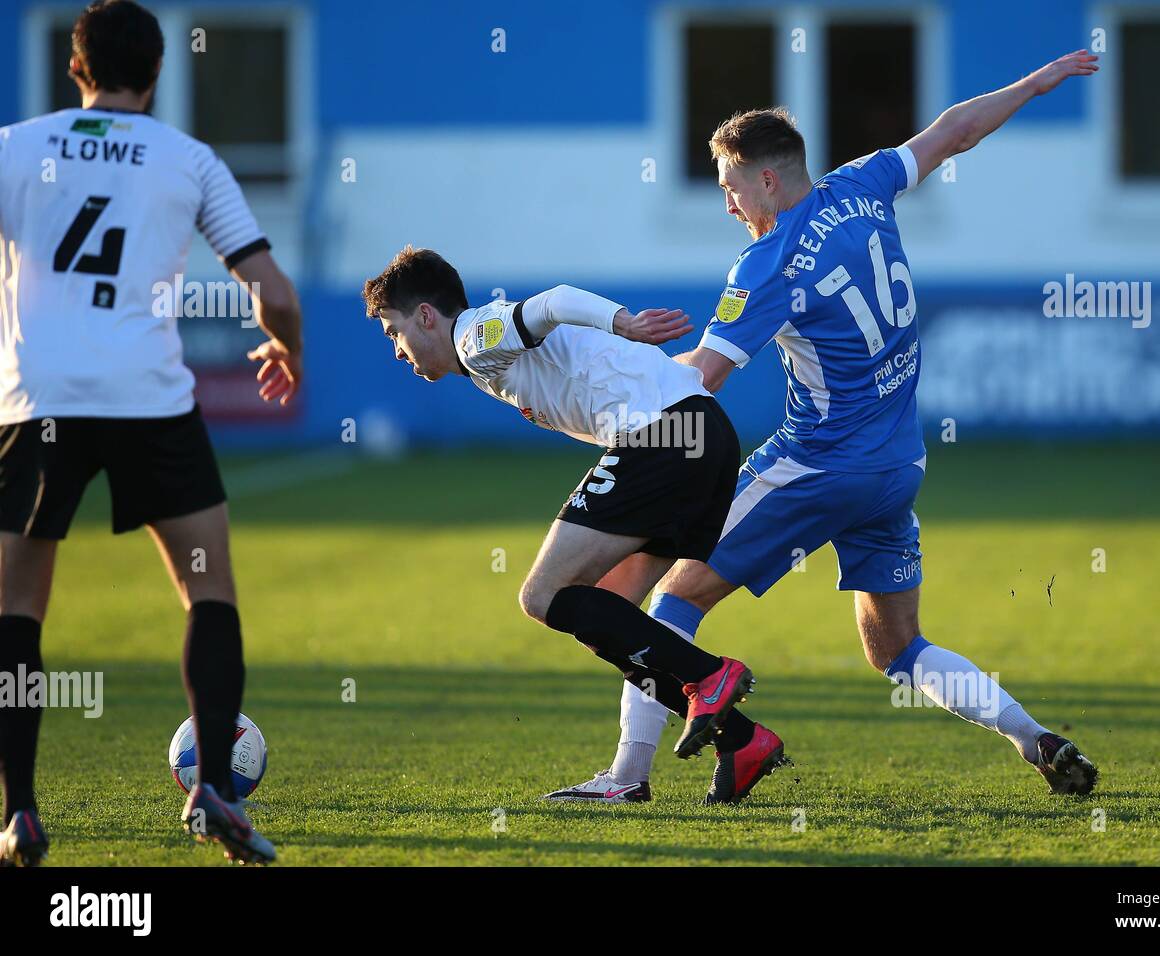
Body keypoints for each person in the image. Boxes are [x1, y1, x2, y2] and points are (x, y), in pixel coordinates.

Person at [546, 51, 1101, 804]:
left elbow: (696, 380)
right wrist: (1035, 85)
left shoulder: (767, 263)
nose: (729, 206)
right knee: (896, 648)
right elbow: (953, 133)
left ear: (767, 179)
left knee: (673, 596)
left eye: (731, 188)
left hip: (819, 462)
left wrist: (580, 395)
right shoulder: (863, 185)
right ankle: (1032, 737)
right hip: (897, 467)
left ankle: (626, 777)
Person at [0, 0, 301, 865]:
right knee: (210, 593)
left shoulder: (18, 148)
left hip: (37, 402)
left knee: (19, 609)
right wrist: (289, 350)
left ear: (74, 66)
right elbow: (273, 292)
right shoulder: (188, 159)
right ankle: (211, 789)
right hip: (148, 401)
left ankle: (18, 810)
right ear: (159, 71)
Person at [361, 246, 790, 805]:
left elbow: (555, 301)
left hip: (662, 440)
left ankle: (710, 678)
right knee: (606, 615)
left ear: (425, 316)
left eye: (394, 330)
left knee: (542, 595)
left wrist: (625, 323)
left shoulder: (472, 335)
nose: (398, 350)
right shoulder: (487, 357)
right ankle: (726, 744)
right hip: (702, 439)